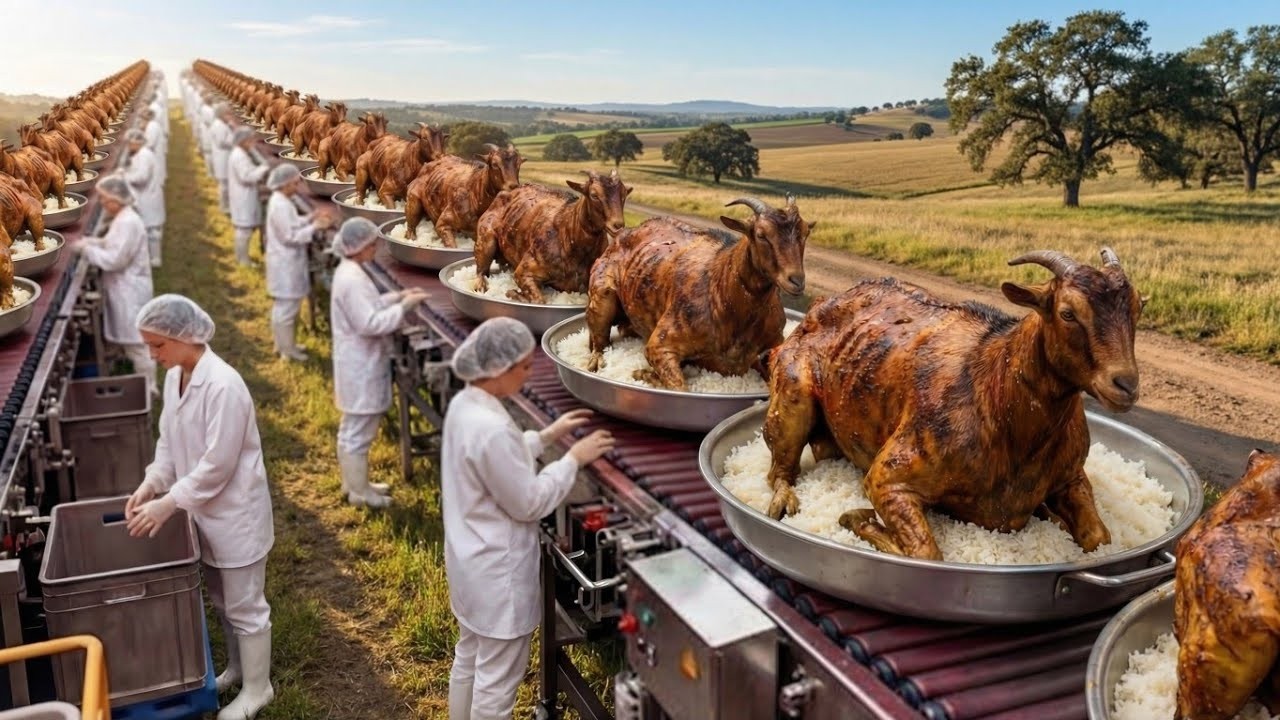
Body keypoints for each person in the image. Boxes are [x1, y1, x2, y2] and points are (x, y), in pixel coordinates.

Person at [442, 317, 615, 720]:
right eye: (523, 367)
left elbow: (492, 461)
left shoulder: (465, 405)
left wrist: (545, 437)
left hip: (468, 564)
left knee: (469, 656)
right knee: (496, 684)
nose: (528, 373)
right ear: (498, 370)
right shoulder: (491, 429)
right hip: (496, 577)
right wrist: (572, 460)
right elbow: (530, 502)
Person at [124, 295, 275, 720]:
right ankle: (239, 669)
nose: (153, 355)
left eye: (157, 345)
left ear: (184, 337)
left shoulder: (224, 386)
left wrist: (168, 504)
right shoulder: (177, 377)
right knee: (223, 601)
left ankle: (259, 688)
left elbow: (217, 466)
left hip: (235, 515)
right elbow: (169, 443)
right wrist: (152, 483)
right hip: (205, 515)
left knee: (246, 605)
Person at [329, 217, 428, 507]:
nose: (375, 249)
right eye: (372, 245)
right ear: (358, 247)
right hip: (361, 365)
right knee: (358, 433)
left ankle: (353, 484)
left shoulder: (351, 272)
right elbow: (370, 323)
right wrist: (404, 309)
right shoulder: (352, 279)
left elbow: (369, 305)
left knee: (351, 430)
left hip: (356, 362)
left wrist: (396, 297)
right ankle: (360, 494)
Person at [69, 174, 156, 397]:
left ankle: (149, 387)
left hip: (129, 290)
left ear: (116, 200)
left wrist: (87, 250)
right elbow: (112, 243)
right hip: (124, 287)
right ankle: (133, 376)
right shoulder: (123, 218)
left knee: (137, 344)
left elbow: (115, 260)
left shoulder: (127, 222)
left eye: (104, 199)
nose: (102, 203)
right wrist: (95, 242)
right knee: (130, 340)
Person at [264, 164, 334, 361]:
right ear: (285, 184)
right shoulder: (280, 205)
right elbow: (290, 236)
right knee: (286, 310)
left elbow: (292, 223)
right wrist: (315, 227)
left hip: (285, 261)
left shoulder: (282, 201)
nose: (297, 187)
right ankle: (287, 351)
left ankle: (283, 345)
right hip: (285, 264)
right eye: (295, 183)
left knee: (284, 308)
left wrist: (310, 218)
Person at [121, 128, 165, 268]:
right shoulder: (141, 154)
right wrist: (126, 171)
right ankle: (150, 256)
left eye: (129, 143)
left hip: (148, 196)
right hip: (146, 195)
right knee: (149, 227)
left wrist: (124, 176)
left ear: (136, 142)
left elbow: (141, 177)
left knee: (152, 230)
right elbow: (137, 171)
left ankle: (155, 259)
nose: (128, 146)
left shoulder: (145, 156)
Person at [226, 127, 269, 266]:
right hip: (243, 196)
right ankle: (243, 260)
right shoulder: (239, 157)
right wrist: (264, 168)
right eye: (251, 140)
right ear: (243, 141)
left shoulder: (240, 153)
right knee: (244, 230)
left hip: (243, 195)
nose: (253, 143)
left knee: (244, 229)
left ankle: (241, 257)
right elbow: (247, 177)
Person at [208, 104, 234, 214]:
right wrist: (235, 141)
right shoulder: (219, 126)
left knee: (225, 184)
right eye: (228, 114)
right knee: (224, 185)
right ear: (222, 115)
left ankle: (225, 205)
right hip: (222, 157)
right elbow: (221, 142)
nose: (230, 116)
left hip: (223, 156)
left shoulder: (221, 124)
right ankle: (224, 207)